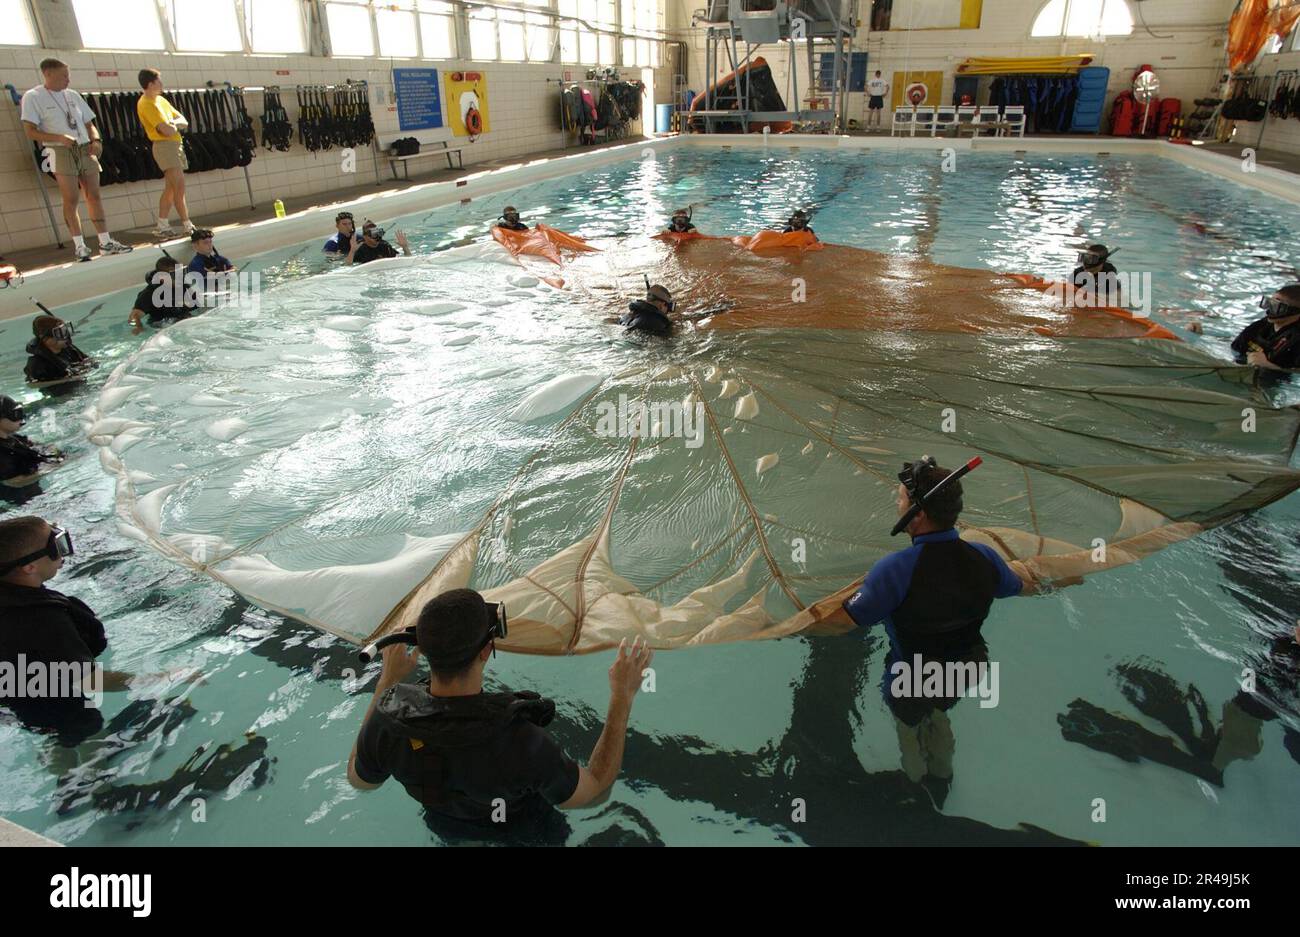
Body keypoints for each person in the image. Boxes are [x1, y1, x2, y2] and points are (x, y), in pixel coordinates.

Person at [821, 457, 1053, 808]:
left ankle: (915, 784)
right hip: (967, 666)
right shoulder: (984, 558)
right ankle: (942, 777)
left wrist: (789, 627)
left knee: (908, 727)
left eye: (900, 499)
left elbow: (848, 619)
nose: (896, 503)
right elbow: (1015, 586)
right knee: (939, 711)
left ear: (918, 515)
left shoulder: (895, 570)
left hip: (912, 676)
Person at [347, 588, 653, 839]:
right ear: (485, 651)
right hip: (527, 832)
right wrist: (622, 697)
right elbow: (595, 792)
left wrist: (388, 680)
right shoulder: (523, 743)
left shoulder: (387, 723)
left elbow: (360, 781)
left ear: (423, 651)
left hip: (449, 827)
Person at [20, 59, 134, 261]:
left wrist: (96, 140)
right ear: (48, 74)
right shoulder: (33, 97)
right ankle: (79, 245)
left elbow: (89, 124)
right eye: (63, 75)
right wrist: (59, 138)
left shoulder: (72, 95)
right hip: (60, 150)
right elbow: (30, 132)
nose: (68, 79)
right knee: (71, 198)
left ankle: (105, 241)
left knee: (94, 195)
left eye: (68, 74)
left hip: (84, 148)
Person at [136, 68, 194, 238]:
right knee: (179, 187)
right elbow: (166, 130)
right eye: (159, 81)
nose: (162, 84)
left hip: (175, 145)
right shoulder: (146, 103)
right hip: (165, 146)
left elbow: (183, 120)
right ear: (151, 83)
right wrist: (173, 125)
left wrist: (172, 124)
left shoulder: (160, 100)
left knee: (171, 188)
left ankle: (162, 224)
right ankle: (187, 224)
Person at [1231, 283, 1300, 371]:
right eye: (1269, 303)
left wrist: (1267, 366)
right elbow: (1236, 349)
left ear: (1295, 311)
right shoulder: (1260, 326)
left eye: (1276, 307)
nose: (1269, 310)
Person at [0, 397, 63, 487]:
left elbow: (39, 447)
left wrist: (56, 455)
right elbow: (13, 482)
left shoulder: (13, 437)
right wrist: (54, 466)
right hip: (21, 496)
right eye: (16, 414)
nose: (21, 418)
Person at [128, 257, 193, 332]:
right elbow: (133, 317)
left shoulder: (183, 286)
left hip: (183, 321)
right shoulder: (150, 293)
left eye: (182, 272)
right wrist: (139, 328)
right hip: (162, 327)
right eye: (174, 275)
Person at [25, 316, 95, 385]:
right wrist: (68, 379)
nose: (65, 337)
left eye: (64, 331)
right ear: (44, 338)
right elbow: (32, 384)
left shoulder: (69, 349)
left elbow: (86, 360)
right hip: (62, 392)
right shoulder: (37, 363)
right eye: (59, 333)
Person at [346, 221, 411, 266]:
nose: (377, 237)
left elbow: (407, 259)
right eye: (374, 235)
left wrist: (405, 247)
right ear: (365, 237)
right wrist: (352, 251)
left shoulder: (384, 245)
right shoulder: (360, 249)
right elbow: (348, 266)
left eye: (378, 234)